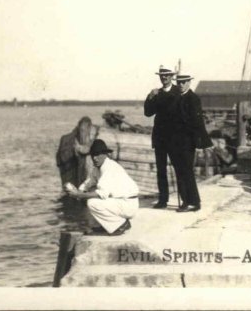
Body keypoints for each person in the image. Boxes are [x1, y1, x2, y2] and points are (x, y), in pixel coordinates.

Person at [64, 139, 138, 236]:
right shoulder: (98, 168)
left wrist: (79, 195)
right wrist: (78, 190)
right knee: (92, 194)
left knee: (92, 202)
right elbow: (89, 182)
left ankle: (121, 225)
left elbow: (101, 194)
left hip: (128, 205)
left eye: (98, 154)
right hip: (122, 202)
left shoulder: (109, 168)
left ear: (105, 154)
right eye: (93, 155)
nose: (95, 158)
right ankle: (108, 225)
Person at [144, 65, 182, 208]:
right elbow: (148, 113)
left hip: (175, 138)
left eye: (167, 75)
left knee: (179, 168)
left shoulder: (179, 92)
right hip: (160, 138)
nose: (164, 77)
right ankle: (163, 200)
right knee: (161, 170)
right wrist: (150, 97)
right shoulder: (157, 93)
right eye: (162, 75)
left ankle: (184, 199)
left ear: (172, 76)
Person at [171, 73, 205, 212]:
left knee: (187, 171)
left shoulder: (193, 98)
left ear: (189, 83)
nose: (181, 85)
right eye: (179, 82)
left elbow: (197, 123)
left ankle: (192, 202)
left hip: (187, 142)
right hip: (175, 142)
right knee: (179, 171)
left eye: (184, 82)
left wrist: (198, 144)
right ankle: (188, 201)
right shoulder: (175, 98)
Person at [56, 116, 96, 190]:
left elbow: (59, 160)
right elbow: (85, 150)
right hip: (71, 169)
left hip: (65, 170)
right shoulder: (74, 140)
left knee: (68, 189)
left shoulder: (65, 138)